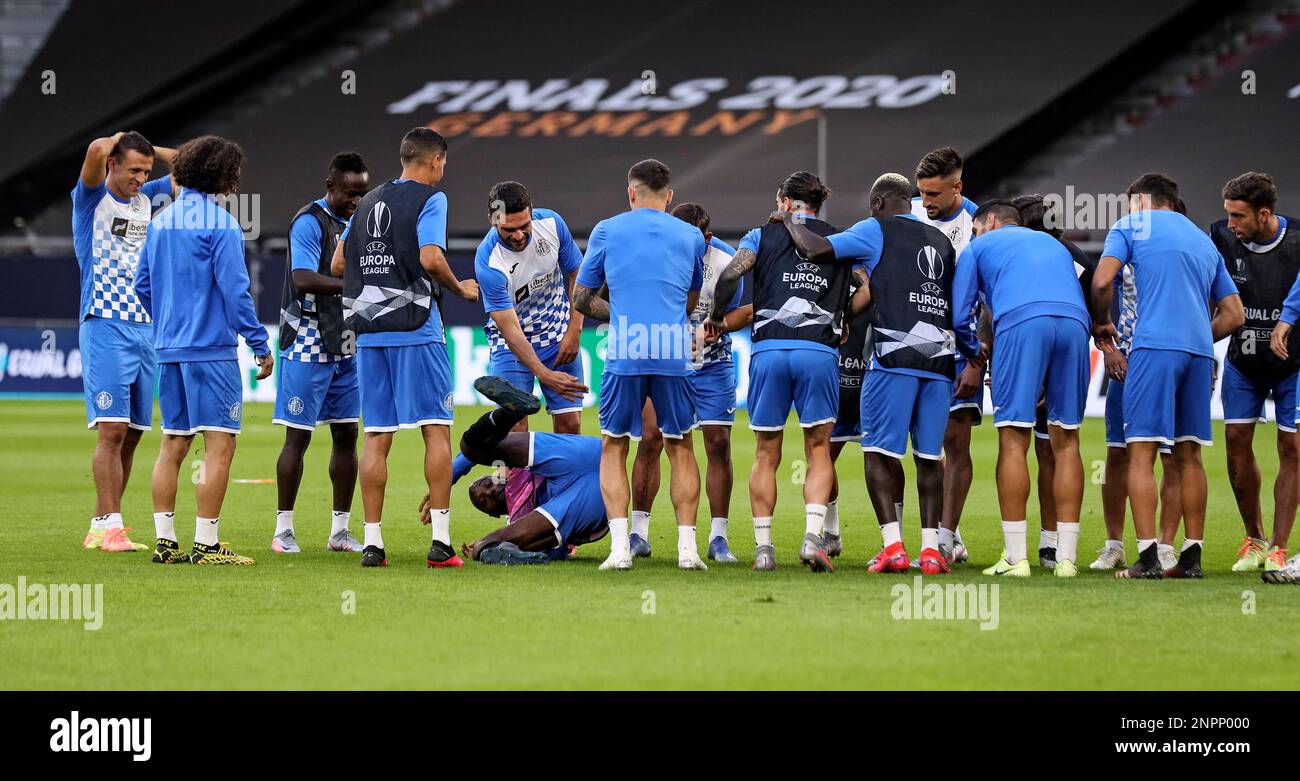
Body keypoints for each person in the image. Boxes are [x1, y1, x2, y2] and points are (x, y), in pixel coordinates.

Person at [780, 172, 956, 574]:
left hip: (894, 359)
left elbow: (816, 250)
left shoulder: (875, 229)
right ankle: (930, 551)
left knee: (878, 452)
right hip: (941, 363)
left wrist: (789, 220)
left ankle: (894, 547)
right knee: (929, 458)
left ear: (878, 204)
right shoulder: (942, 241)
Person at [332, 128, 480, 568]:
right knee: (435, 430)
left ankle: (373, 544)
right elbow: (432, 257)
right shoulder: (432, 199)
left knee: (377, 436)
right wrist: (458, 289)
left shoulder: (368, 201)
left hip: (370, 333)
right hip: (416, 327)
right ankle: (440, 542)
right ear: (435, 161)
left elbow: (339, 263)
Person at [1093, 173, 1245, 579]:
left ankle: (1145, 559)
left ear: (1141, 201)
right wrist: (1195, 335)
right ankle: (1190, 558)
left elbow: (1103, 280)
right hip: (1198, 355)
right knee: (1189, 455)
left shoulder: (1130, 226)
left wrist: (1101, 325)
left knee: (1140, 450)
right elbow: (1235, 314)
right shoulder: (1203, 240)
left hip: (1152, 347)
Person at [134, 135, 274, 565]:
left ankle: (165, 541)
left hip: (169, 350)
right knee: (219, 446)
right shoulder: (221, 224)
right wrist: (259, 343)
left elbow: (141, 285)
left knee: (173, 444)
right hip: (210, 352)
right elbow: (235, 294)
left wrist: (169, 325)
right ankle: (207, 545)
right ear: (223, 176)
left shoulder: (160, 222)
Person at [706, 171, 848, 573]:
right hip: (818, 350)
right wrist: (842, 318)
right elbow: (863, 287)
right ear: (817, 204)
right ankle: (812, 538)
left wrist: (717, 316)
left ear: (786, 201)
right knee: (818, 449)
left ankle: (764, 549)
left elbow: (731, 274)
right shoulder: (839, 238)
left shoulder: (759, 236)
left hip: (768, 349)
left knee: (766, 454)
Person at [572, 159, 706, 571]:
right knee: (680, 445)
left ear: (631, 192)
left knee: (615, 445)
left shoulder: (607, 230)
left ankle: (620, 550)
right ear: (670, 196)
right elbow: (691, 298)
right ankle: (687, 551)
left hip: (626, 349)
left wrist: (626, 315)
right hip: (672, 349)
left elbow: (581, 297)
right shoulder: (690, 235)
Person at [951, 200, 1091, 578]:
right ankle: (1066, 559)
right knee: (1067, 440)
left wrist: (972, 351)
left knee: (1014, 438)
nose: (976, 233)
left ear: (991, 222)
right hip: (1077, 325)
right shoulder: (1056, 246)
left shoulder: (978, 245)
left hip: (1022, 321)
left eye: (977, 228)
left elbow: (959, 311)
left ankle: (1016, 558)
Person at [626, 203, 750, 563]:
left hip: (712, 364)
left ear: (706, 238)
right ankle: (638, 533)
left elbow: (731, 314)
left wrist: (718, 327)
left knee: (718, 443)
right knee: (650, 439)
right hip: (665, 362)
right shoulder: (653, 258)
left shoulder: (728, 264)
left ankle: (719, 537)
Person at [73, 130, 175, 553]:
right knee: (111, 429)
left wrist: (150, 149)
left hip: (144, 327)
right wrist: (117, 138)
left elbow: (189, 161)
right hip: (105, 322)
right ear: (113, 165)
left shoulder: (146, 198)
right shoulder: (91, 198)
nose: (141, 177)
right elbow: (95, 149)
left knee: (132, 432)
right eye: (134, 169)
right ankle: (107, 523)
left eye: (146, 171)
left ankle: (105, 522)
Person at [271, 151, 370, 555]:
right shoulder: (309, 221)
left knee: (347, 433)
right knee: (299, 438)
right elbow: (303, 278)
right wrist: (356, 288)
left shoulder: (363, 221)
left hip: (347, 341)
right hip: (308, 338)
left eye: (362, 193)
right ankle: (283, 531)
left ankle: (340, 532)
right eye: (350, 193)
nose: (356, 201)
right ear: (330, 186)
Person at [1212, 172, 1298, 575]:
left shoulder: (1297, 240)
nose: (1230, 224)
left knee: (1292, 448)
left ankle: (1280, 547)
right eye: (1228, 214)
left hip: (1293, 364)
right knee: (1234, 443)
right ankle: (1255, 538)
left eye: (1238, 216)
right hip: (1242, 362)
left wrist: (1289, 318)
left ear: (1264, 214)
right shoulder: (1222, 238)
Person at [1012, 193, 1098, 569]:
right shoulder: (1076, 257)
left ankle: (1015, 551)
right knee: (1060, 446)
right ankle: (1058, 550)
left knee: (1015, 440)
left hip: (1030, 344)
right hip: (1072, 345)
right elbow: (1092, 303)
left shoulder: (1016, 252)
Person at [449, 377, 609, 564]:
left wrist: (448, 477)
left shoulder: (516, 471)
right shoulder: (519, 519)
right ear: (494, 515)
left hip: (582, 457)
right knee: (489, 544)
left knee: (481, 546)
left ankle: (508, 414)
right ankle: (507, 414)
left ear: (498, 473)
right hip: (592, 496)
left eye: (485, 483)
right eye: (482, 501)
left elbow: (478, 453)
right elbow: (555, 549)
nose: (488, 491)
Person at [473, 181, 588, 434]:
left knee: (571, 425)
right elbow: (510, 328)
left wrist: (574, 330)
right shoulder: (488, 261)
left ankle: (559, 476)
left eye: (524, 226)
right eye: (508, 229)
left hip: (558, 336)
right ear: (492, 221)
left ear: (532, 211)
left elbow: (578, 274)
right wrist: (543, 374)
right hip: (511, 346)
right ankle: (519, 476)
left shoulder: (552, 224)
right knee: (515, 429)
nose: (518, 235)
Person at [912, 146, 980, 563]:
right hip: (911, 343)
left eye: (935, 194)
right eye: (922, 192)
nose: (927, 202)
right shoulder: (910, 214)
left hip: (958, 348)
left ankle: (947, 535)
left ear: (957, 186)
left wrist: (976, 360)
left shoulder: (978, 222)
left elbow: (988, 293)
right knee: (919, 445)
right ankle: (918, 533)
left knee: (956, 441)